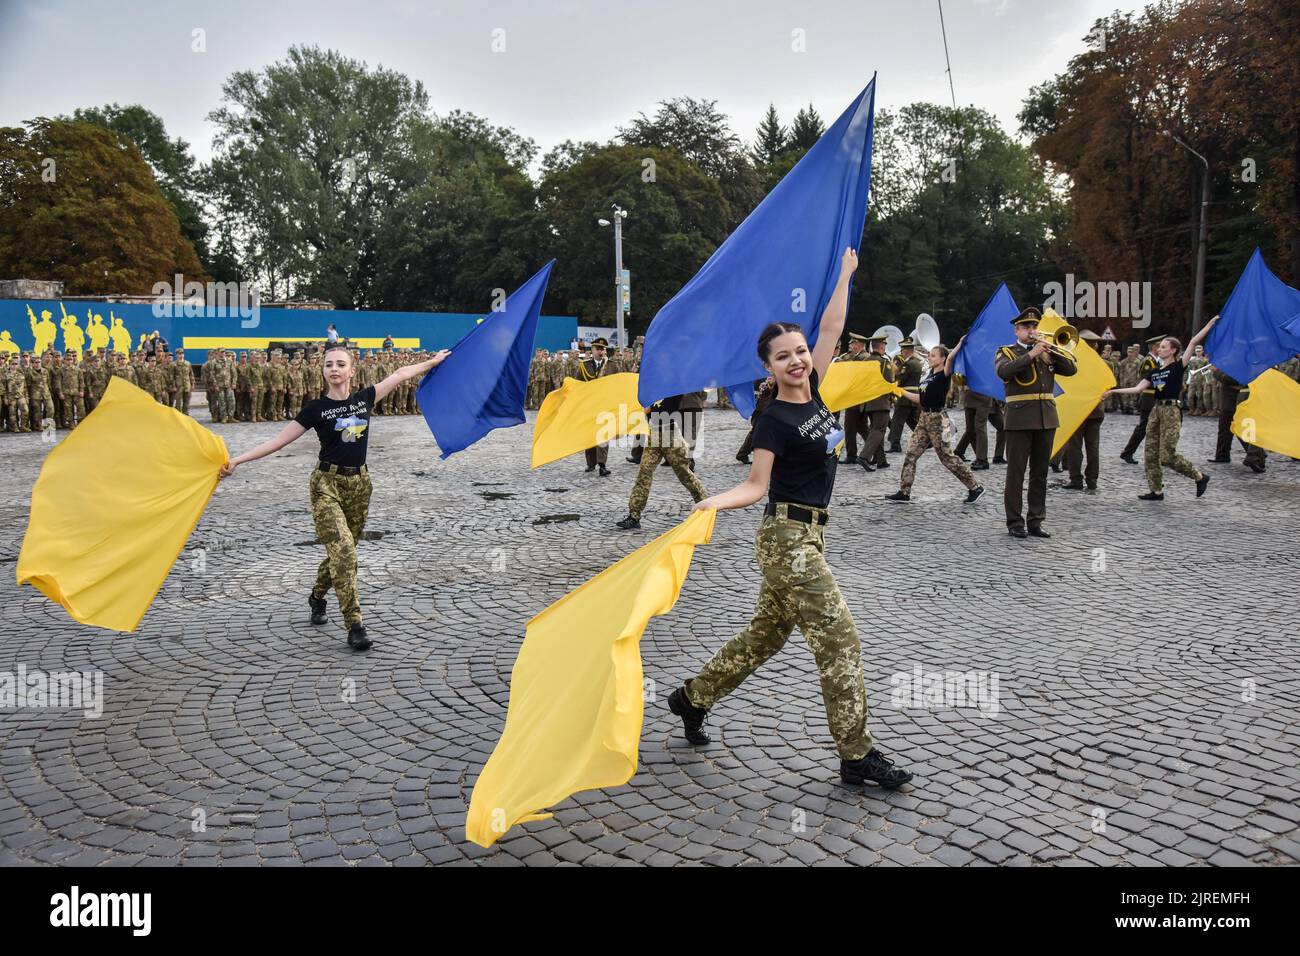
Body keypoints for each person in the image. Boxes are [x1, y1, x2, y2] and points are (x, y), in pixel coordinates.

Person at [666, 247, 914, 790]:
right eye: (784, 357)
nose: (797, 360)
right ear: (768, 367)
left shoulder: (818, 388)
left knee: (764, 637)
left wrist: (846, 274)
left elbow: (832, 324)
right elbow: (756, 486)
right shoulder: (774, 418)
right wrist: (710, 502)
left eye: (800, 352)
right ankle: (856, 755)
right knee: (841, 640)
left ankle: (691, 698)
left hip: (811, 535)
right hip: (786, 539)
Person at [218, 343, 451, 651]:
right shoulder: (315, 409)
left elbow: (400, 373)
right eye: (329, 365)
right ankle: (355, 624)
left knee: (342, 553)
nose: (335, 369)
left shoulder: (364, 399)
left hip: (359, 485)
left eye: (341, 364)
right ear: (324, 371)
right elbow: (278, 441)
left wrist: (433, 361)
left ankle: (316, 596)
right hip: (326, 485)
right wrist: (237, 460)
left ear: (351, 370)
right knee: (345, 553)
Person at [1104, 320, 1215, 500]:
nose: (1160, 349)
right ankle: (1156, 490)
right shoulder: (1154, 371)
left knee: (1167, 455)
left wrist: (1209, 326)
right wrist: (1112, 391)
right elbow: (1138, 388)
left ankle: (1199, 476)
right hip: (1156, 410)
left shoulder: (1178, 366)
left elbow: (1194, 341)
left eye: (1164, 347)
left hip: (1171, 410)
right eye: (1159, 347)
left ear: (1173, 350)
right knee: (1150, 452)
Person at [995, 308, 1077, 538]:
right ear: (1017, 330)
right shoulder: (1007, 352)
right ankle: (1014, 522)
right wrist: (1031, 354)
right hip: (1019, 419)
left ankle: (1035, 520)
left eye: (1034, 327)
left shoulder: (1047, 351)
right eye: (1027, 328)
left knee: (1040, 473)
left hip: (1046, 419)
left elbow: (1071, 369)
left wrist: (1051, 350)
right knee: (1016, 472)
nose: (1032, 331)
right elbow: (1004, 372)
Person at [884, 340, 984, 504]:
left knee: (946, 457)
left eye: (933, 355)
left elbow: (951, 358)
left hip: (938, 419)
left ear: (942, 359)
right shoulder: (928, 375)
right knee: (911, 453)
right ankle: (904, 491)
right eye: (929, 355)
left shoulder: (944, 374)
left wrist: (959, 343)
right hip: (924, 417)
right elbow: (921, 398)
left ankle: (975, 487)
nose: (929, 358)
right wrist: (900, 391)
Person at [615, 394, 708, 530]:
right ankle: (634, 516)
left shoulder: (674, 387)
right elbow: (646, 409)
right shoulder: (654, 388)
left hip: (671, 435)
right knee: (644, 472)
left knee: (684, 474)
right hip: (654, 434)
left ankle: (706, 504)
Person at [1059, 329, 1106, 491]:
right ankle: (1092, 480)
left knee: (1075, 446)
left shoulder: (1074, 362)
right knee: (1093, 447)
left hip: (1078, 410)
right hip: (1096, 410)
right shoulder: (1103, 363)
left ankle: (1076, 479)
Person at [1208, 366, 1267, 472]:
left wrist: (1216, 372)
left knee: (1242, 430)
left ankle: (1257, 456)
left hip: (1237, 399)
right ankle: (1222, 455)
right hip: (1228, 400)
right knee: (1224, 429)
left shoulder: (1241, 362)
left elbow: (1232, 379)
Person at [1119, 334, 1163, 463]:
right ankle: (1127, 452)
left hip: (1153, 398)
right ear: (1154, 347)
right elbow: (1148, 378)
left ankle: (1129, 452)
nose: (1161, 348)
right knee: (1143, 428)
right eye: (1159, 346)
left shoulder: (1155, 360)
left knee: (1150, 428)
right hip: (1149, 398)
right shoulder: (1148, 361)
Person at [578, 337, 612, 476]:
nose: (601, 352)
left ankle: (602, 464)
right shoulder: (584, 366)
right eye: (598, 349)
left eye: (603, 349)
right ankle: (591, 463)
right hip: (589, 406)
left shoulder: (612, 366)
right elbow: (578, 385)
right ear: (591, 350)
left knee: (603, 435)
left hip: (605, 406)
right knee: (590, 435)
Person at [886, 337, 923, 452]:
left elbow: (901, 378)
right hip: (913, 395)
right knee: (911, 420)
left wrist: (893, 374)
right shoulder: (916, 362)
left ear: (906, 351)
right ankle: (927, 440)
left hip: (905, 396)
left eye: (902, 351)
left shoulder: (908, 364)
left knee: (897, 421)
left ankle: (895, 445)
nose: (901, 353)